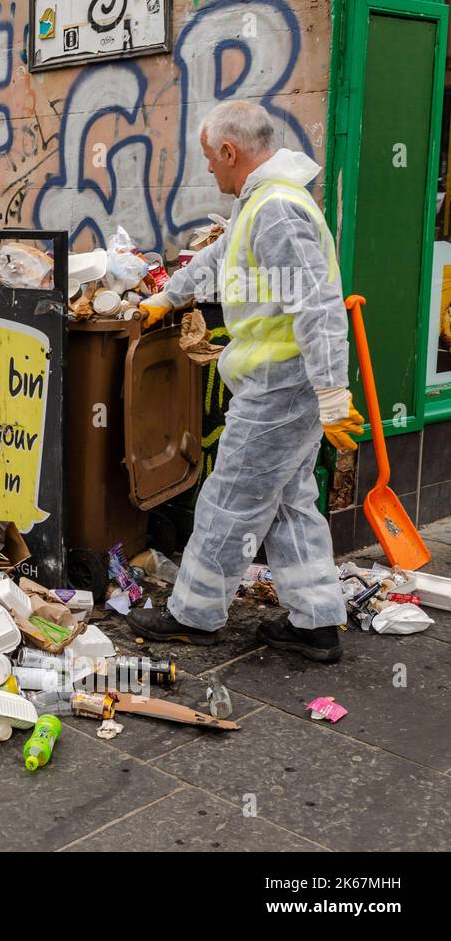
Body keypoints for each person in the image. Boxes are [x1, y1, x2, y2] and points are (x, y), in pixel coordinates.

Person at [129, 101, 361, 663]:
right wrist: (168, 295)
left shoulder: (277, 209)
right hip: (286, 385)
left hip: (279, 388)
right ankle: (317, 622)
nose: (210, 169)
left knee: (227, 502)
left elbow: (318, 304)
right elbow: (220, 259)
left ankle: (195, 615)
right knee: (289, 503)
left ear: (230, 152)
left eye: (211, 159)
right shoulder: (263, 204)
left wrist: (333, 393)